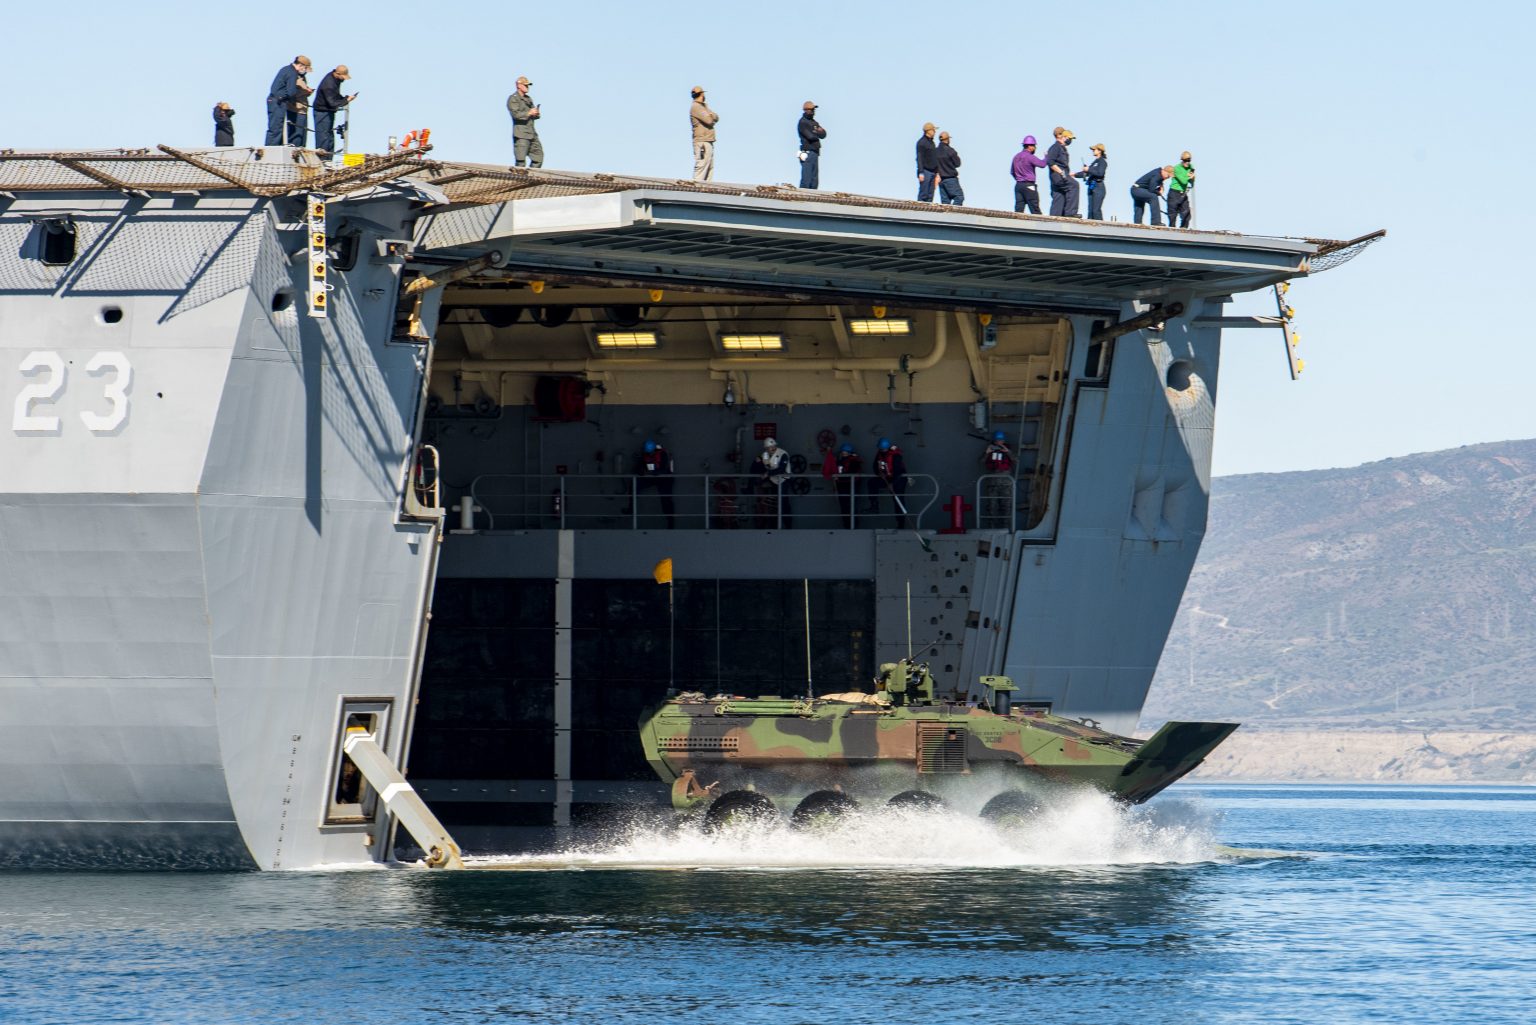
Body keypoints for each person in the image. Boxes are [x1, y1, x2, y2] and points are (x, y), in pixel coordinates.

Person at [265, 56, 312, 147]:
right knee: (276, 128)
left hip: (274, 99)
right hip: (278, 102)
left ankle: (271, 148)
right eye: (305, 68)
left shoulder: (285, 69)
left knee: (275, 127)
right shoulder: (293, 73)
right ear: (301, 65)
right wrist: (303, 92)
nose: (305, 71)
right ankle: (272, 150)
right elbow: (291, 91)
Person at [312, 66, 356, 156]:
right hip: (322, 113)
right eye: (343, 77)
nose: (344, 79)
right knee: (323, 139)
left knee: (329, 139)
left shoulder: (335, 80)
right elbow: (332, 103)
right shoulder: (329, 84)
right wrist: (346, 101)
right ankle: (322, 161)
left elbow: (335, 96)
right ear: (338, 74)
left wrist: (344, 98)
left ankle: (328, 160)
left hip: (327, 112)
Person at [753, 437, 794, 527]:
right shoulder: (765, 454)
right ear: (766, 448)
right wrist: (758, 460)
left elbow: (781, 469)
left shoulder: (783, 454)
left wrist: (767, 474)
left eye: (773, 447)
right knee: (772, 503)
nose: (771, 449)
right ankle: (771, 524)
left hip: (783, 481)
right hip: (773, 481)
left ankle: (788, 525)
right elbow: (760, 462)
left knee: (783, 503)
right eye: (769, 448)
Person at [636, 439, 676, 527]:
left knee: (666, 500)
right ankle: (631, 508)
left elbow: (664, 468)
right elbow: (639, 467)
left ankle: (670, 521)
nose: (650, 454)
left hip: (665, 479)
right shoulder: (645, 455)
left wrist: (657, 472)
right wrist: (641, 471)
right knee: (635, 485)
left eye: (651, 452)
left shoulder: (662, 454)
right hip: (653, 478)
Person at [508, 76, 543, 168]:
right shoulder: (513, 99)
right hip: (521, 134)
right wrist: (529, 113)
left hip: (532, 133)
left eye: (528, 85)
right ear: (518, 85)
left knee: (538, 157)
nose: (527, 87)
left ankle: (532, 176)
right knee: (520, 162)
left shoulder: (528, 99)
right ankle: (520, 179)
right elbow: (516, 115)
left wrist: (535, 113)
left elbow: (534, 115)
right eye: (525, 85)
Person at [873, 437, 908, 528]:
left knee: (898, 500)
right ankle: (874, 505)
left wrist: (892, 483)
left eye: (883, 449)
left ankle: (901, 523)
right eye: (881, 449)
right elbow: (875, 466)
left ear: (888, 448)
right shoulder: (879, 454)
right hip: (886, 478)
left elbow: (897, 471)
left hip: (898, 480)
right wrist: (879, 473)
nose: (882, 450)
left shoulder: (895, 455)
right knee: (872, 483)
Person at [1010, 136, 1048, 214]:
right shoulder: (1030, 157)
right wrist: (1046, 157)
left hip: (1018, 186)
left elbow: (1012, 172)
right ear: (1030, 146)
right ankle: (1040, 226)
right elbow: (1042, 164)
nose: (1035, 148)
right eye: (1034, 146)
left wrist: (1019, 179)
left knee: (1018, 211)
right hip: (1029, 185)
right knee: (1035, 210)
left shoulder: (1016, 157)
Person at [1046, 126, 1078, 217]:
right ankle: (1071, 213)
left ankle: (1055, 219)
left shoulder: (1061, 148)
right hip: (1059, 177)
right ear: (1060, 136)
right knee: (1074, 185)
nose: (1069, 140)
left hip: (1058, 178)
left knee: (1059, 197)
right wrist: (1061, 172)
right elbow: (1050, 162)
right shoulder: (1056, 147)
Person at [689, 86, 719, 181]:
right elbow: (710, 120)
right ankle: (696, 187)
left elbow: (716, 117)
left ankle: (706, 188)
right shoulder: (696, 107)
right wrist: (711, 116)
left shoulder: (703, 106)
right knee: (702, 165)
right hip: (702, 141)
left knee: (709, 166)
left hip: (707, 140)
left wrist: (711, 116)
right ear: (701, 94)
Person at [832, 443, 863, 527]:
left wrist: (839, 478)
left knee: (851, 507)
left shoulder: (854, 461)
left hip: (852, 487)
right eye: (842, 452)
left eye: (845, 452)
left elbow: (852, 474)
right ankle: (847, 525)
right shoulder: (840, 461)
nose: (843, 453)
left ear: (849, 452)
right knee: (844, 507)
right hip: (842, 487)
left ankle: (853, 526)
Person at [797, 101, 826, 189]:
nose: (813, 112)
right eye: (811, 110)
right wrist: (817, 132)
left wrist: (816, 132)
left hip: (815, 152)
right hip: (807, 152)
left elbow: (824, 134)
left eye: (814, 110)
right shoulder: (802, 122)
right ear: (806, 110)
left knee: (814, 181)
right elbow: (810, 136)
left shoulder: (814, 123)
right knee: (806, 180)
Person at [1076, 143, 1108, 221]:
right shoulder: (1095, 162)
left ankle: (1101, 229)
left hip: (1099, 187)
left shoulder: (1102, 162)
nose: (1093, 151)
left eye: (1094, 149)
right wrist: (1074, 175)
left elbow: (1100, 173)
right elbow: (1087, 173)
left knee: (1096, 211)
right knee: (1090, 212)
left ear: (1100, 151)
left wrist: (1088, 169)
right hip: (1092, 187)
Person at [1168, 150, 1196, 228]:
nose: (1187, 162)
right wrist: (1189, 176)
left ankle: (1183, 229)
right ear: (1182, 160)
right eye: (1186, 160)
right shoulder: (1177, 168)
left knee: (1186, 214)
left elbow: (1191, 182)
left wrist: (1193, 178)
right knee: (1173, 215)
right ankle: (1172, 231)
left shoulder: (1191, 167)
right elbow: (1183, 181)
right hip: (1174, 193)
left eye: (1189, 160)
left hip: (1183, 194)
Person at [935, 131, 964, 206]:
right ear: (948, 139)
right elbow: (958, 163)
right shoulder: (950, 151)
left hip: (941, 180)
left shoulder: (935, 151)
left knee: (945, 203)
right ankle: (954, 214)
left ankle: (946, 217)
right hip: (951, 179)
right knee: (959, 197)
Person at [915, 123, 939, 202]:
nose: (935, 132)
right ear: (928, 131)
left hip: (933, 172)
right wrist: (921, 172)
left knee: (930, 196)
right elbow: (919, 158)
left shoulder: (932, 143)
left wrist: (937, 173)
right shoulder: (921, 142)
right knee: (924, 194)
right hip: (925, 172)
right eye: (933, 130)